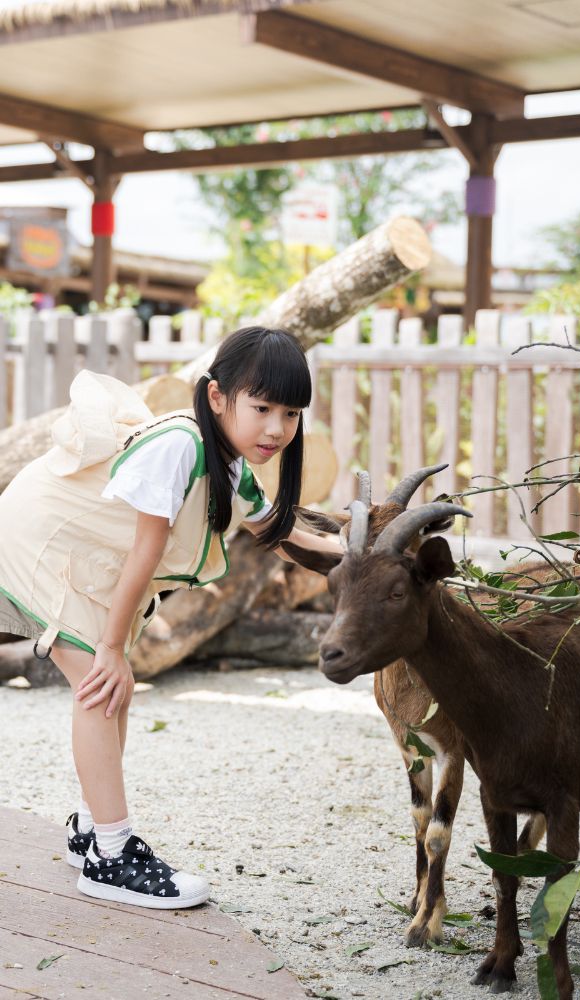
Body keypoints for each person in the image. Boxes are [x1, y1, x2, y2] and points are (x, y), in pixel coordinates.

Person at [0, 325, 341, 909]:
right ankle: (110, 854)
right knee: (101, 688)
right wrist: (110, 649)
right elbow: (146, 551)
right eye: (261, 407)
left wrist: (371, 551)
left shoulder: (230, 464)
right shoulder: (181, 443)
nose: (277, 428)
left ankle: (90, 831)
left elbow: (282, 534)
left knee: (112, 692)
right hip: (43, 538)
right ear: (216, 397)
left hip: (84, 552)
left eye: (290, 413)